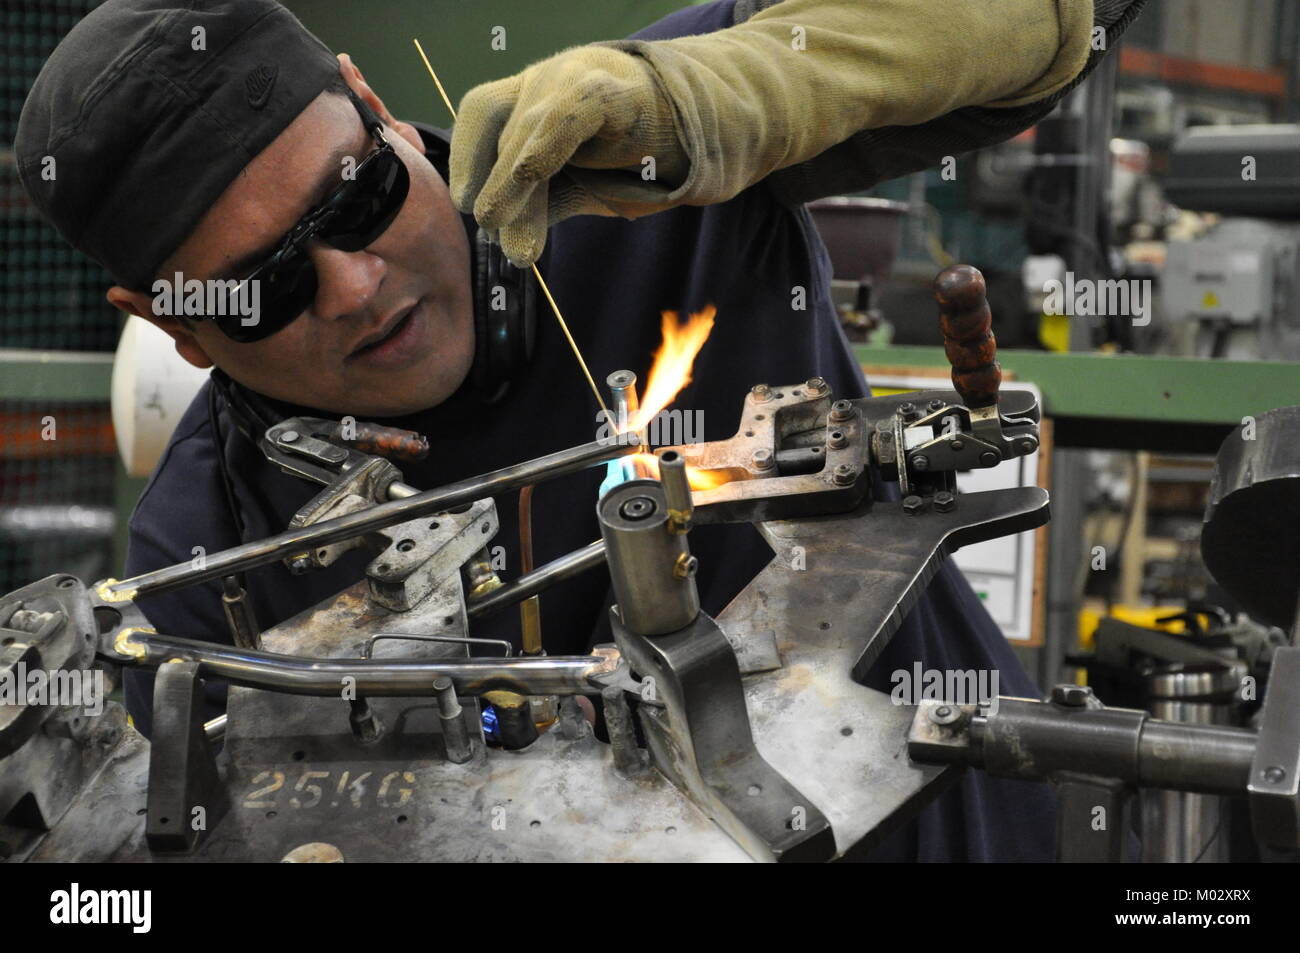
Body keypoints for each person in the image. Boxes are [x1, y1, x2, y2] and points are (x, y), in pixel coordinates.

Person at [16, 0, 1146, 860]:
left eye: (357, 199)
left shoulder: (627, 152)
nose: (355, 285)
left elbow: (1052, 22)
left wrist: (722, 100)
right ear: (174, 327)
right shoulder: (202, 566)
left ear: (371, 102)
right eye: (266, 288)